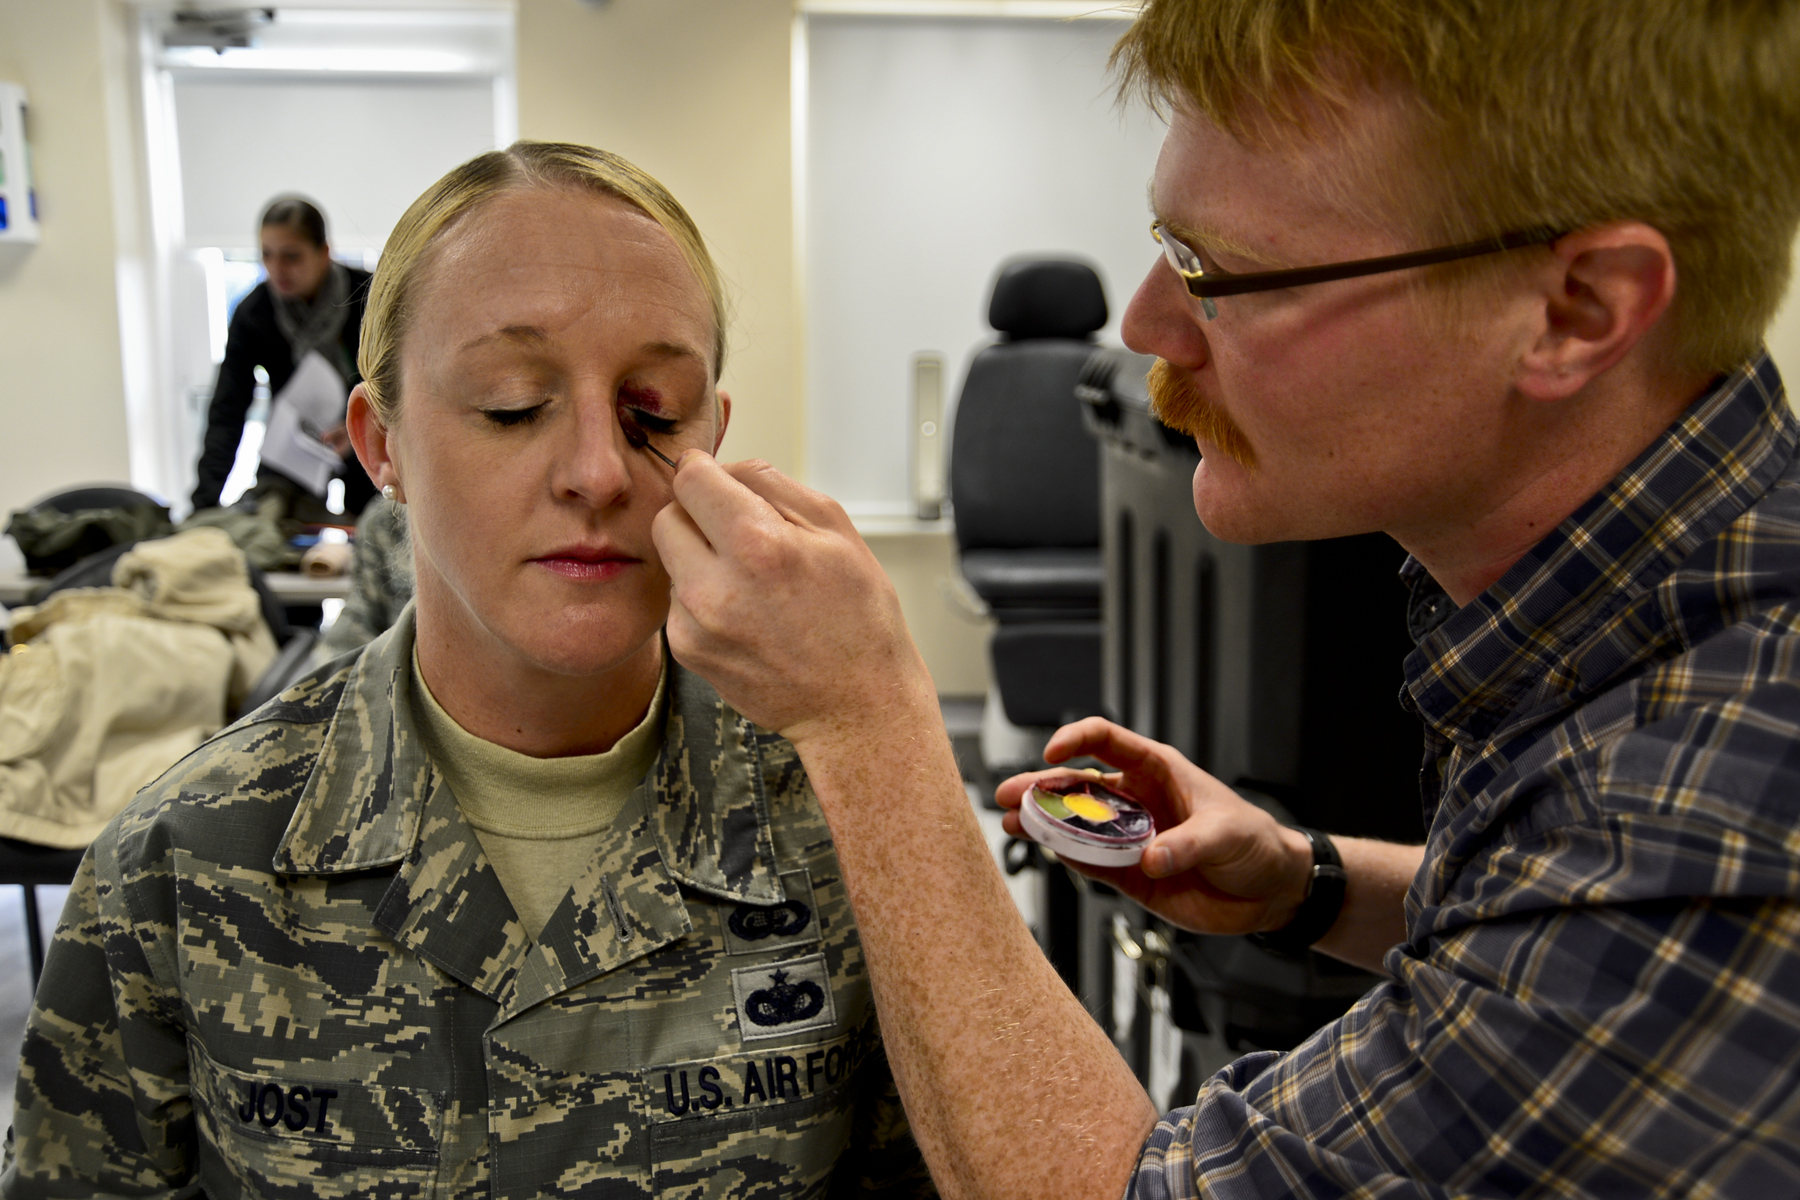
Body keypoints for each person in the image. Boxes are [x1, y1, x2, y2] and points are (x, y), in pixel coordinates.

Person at [648, 1, 1800, 1197]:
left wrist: (864, 716)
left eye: (1217, 271)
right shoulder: (1648, 636)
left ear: (1578, 312)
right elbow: (1558, 933)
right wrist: (1315, 884)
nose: (1146, 323)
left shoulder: (1715, 805)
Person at [3, 143, 932, 1198]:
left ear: (713, 438)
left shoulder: (851, 834)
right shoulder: (181, 865)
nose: (595, 471)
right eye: (508, 403)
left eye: (653, 412)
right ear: (380, 443)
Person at [189, 196, 379, 521]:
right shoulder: (255, 314)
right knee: (272, 518)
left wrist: (367, 427)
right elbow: (228, 409)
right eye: (267, 255)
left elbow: (404, 384)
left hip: (371, 438)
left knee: (373, 532)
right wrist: (203, 507)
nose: (277, 269)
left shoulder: (369, 296)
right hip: (294, 450)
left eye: (291, 256)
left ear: (324, 253)